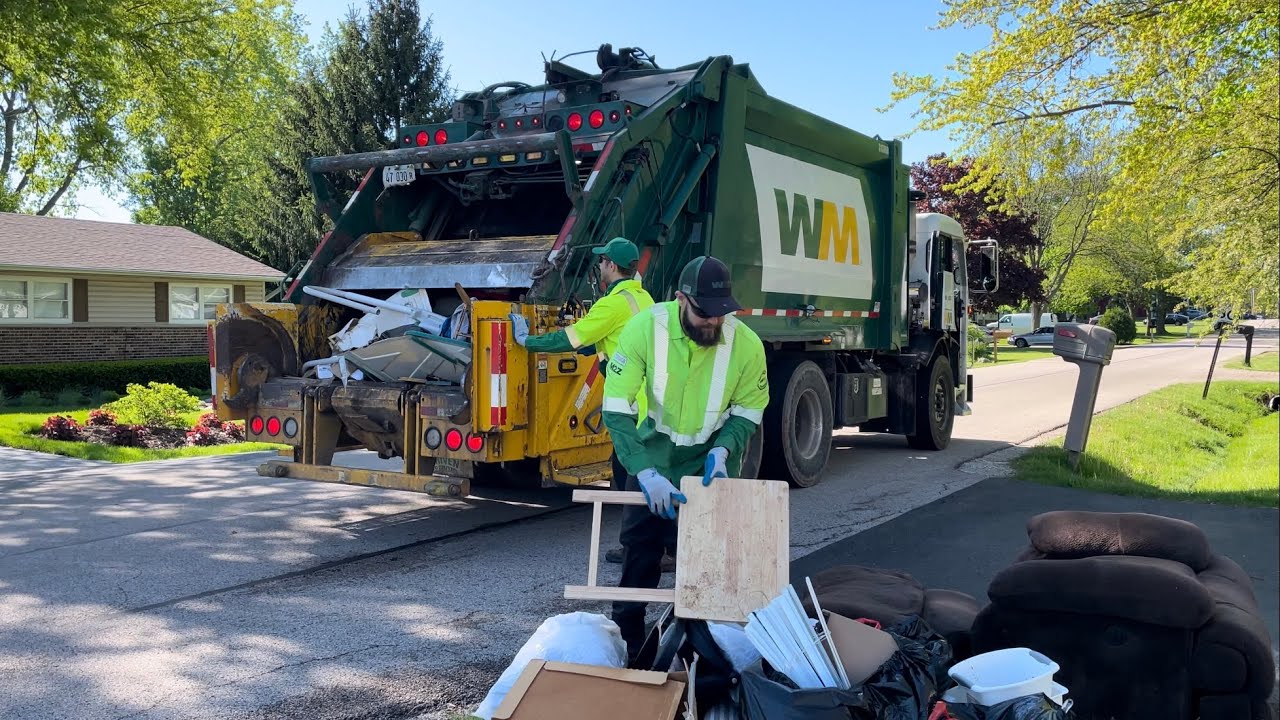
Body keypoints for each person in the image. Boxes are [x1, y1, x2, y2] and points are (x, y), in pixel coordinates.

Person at [600, 254, 769, 666]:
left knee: (705, 566)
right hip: (651, 455)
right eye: (704, 313)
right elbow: (616, 408)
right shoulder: (644, 330)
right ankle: (633, 656)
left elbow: (749, 409)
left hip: (703, 464)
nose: (713, 322)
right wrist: (644, 472)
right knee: (638, 552)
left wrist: (723, 450)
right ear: (680, 300)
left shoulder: (746, 345)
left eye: (721, 314)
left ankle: (700, 662)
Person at [509, 236, 655, 552]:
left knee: (634, 476)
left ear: (612, 266)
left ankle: (642, 548)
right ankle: (652, 546)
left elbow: (570, 341)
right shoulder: (642, 299)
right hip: (648, 402)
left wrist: (527, 340)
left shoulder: (613, 304)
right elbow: (603, 340)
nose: (598, 265)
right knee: (632, 473)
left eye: (602, 261)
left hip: (633, 406)